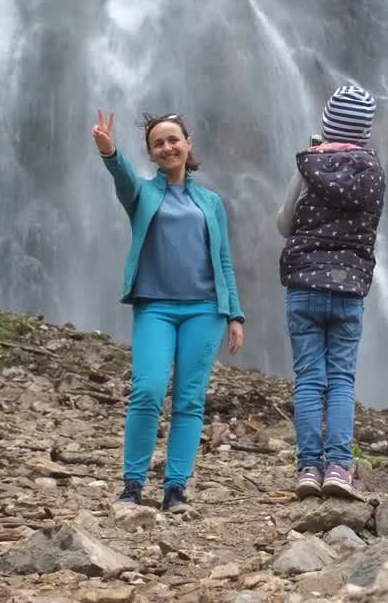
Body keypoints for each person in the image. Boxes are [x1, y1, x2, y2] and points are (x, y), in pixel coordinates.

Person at [93, 108, 246, 512]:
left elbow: (224, 260)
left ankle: (175, 488)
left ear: (188, 144)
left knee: (190, 400)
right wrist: (110, 153)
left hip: (205, 311)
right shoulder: (142, 194)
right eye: (158, 143)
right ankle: (132, 485)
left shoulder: (211, 202)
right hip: (155, 308)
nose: (167, 147)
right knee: (147, 390)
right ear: (151, 153)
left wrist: (235, 314)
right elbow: (122, 179)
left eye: (173, 139)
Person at [275, 84, 386, 499]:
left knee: (309, 378)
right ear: (364, 134)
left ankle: (308, 468)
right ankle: (339, 468)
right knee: (341, 379)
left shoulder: (306, 168)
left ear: (325, 126)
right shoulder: (373, 173)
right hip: (349, 290)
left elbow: (284, 224)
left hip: (303, 286)